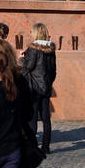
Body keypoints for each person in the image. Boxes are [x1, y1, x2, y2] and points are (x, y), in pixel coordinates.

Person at [21, 22, 57, 155]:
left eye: (32, 32)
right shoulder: (50, 50)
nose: (30, 34)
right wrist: (49, 83)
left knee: (33, 117)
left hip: (34, 88)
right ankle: (46, 146)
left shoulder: (33, 49)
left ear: (36, 33)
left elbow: (28, 67)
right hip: (46, 87)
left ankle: (32, 146)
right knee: (46, 118)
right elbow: (54, 71)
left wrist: (22, 59)